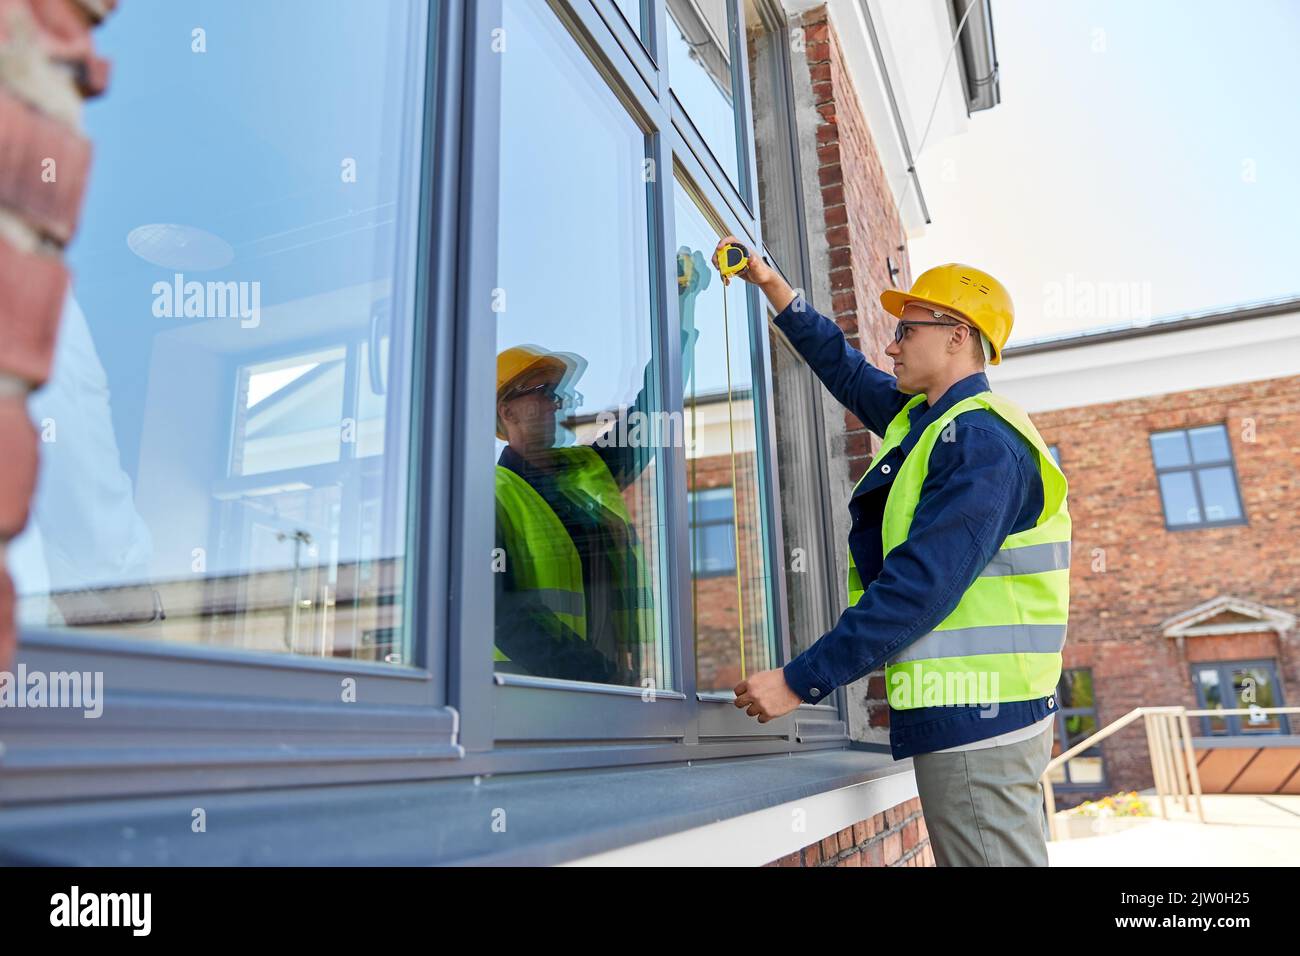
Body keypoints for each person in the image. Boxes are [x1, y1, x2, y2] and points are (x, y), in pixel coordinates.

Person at [719, 239, 1071, 867]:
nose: (891, 345)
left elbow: (921, 585)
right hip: (978, 713)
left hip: (982, 720)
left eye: (907, 331)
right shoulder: (929, 421)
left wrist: (802, 680)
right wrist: (773, 286)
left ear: (958, 336)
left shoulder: (983, 443)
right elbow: (848, 371)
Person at [492, 251, 705, 684]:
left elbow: (655, 408)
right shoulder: (489, 494)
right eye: (541, 391)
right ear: (506, 411)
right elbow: (501, 614)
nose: (557, 401)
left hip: (614, 682)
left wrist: (679, 310)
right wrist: (599, 677)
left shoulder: (590, 466)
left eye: (558, 391)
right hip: (536, 690)